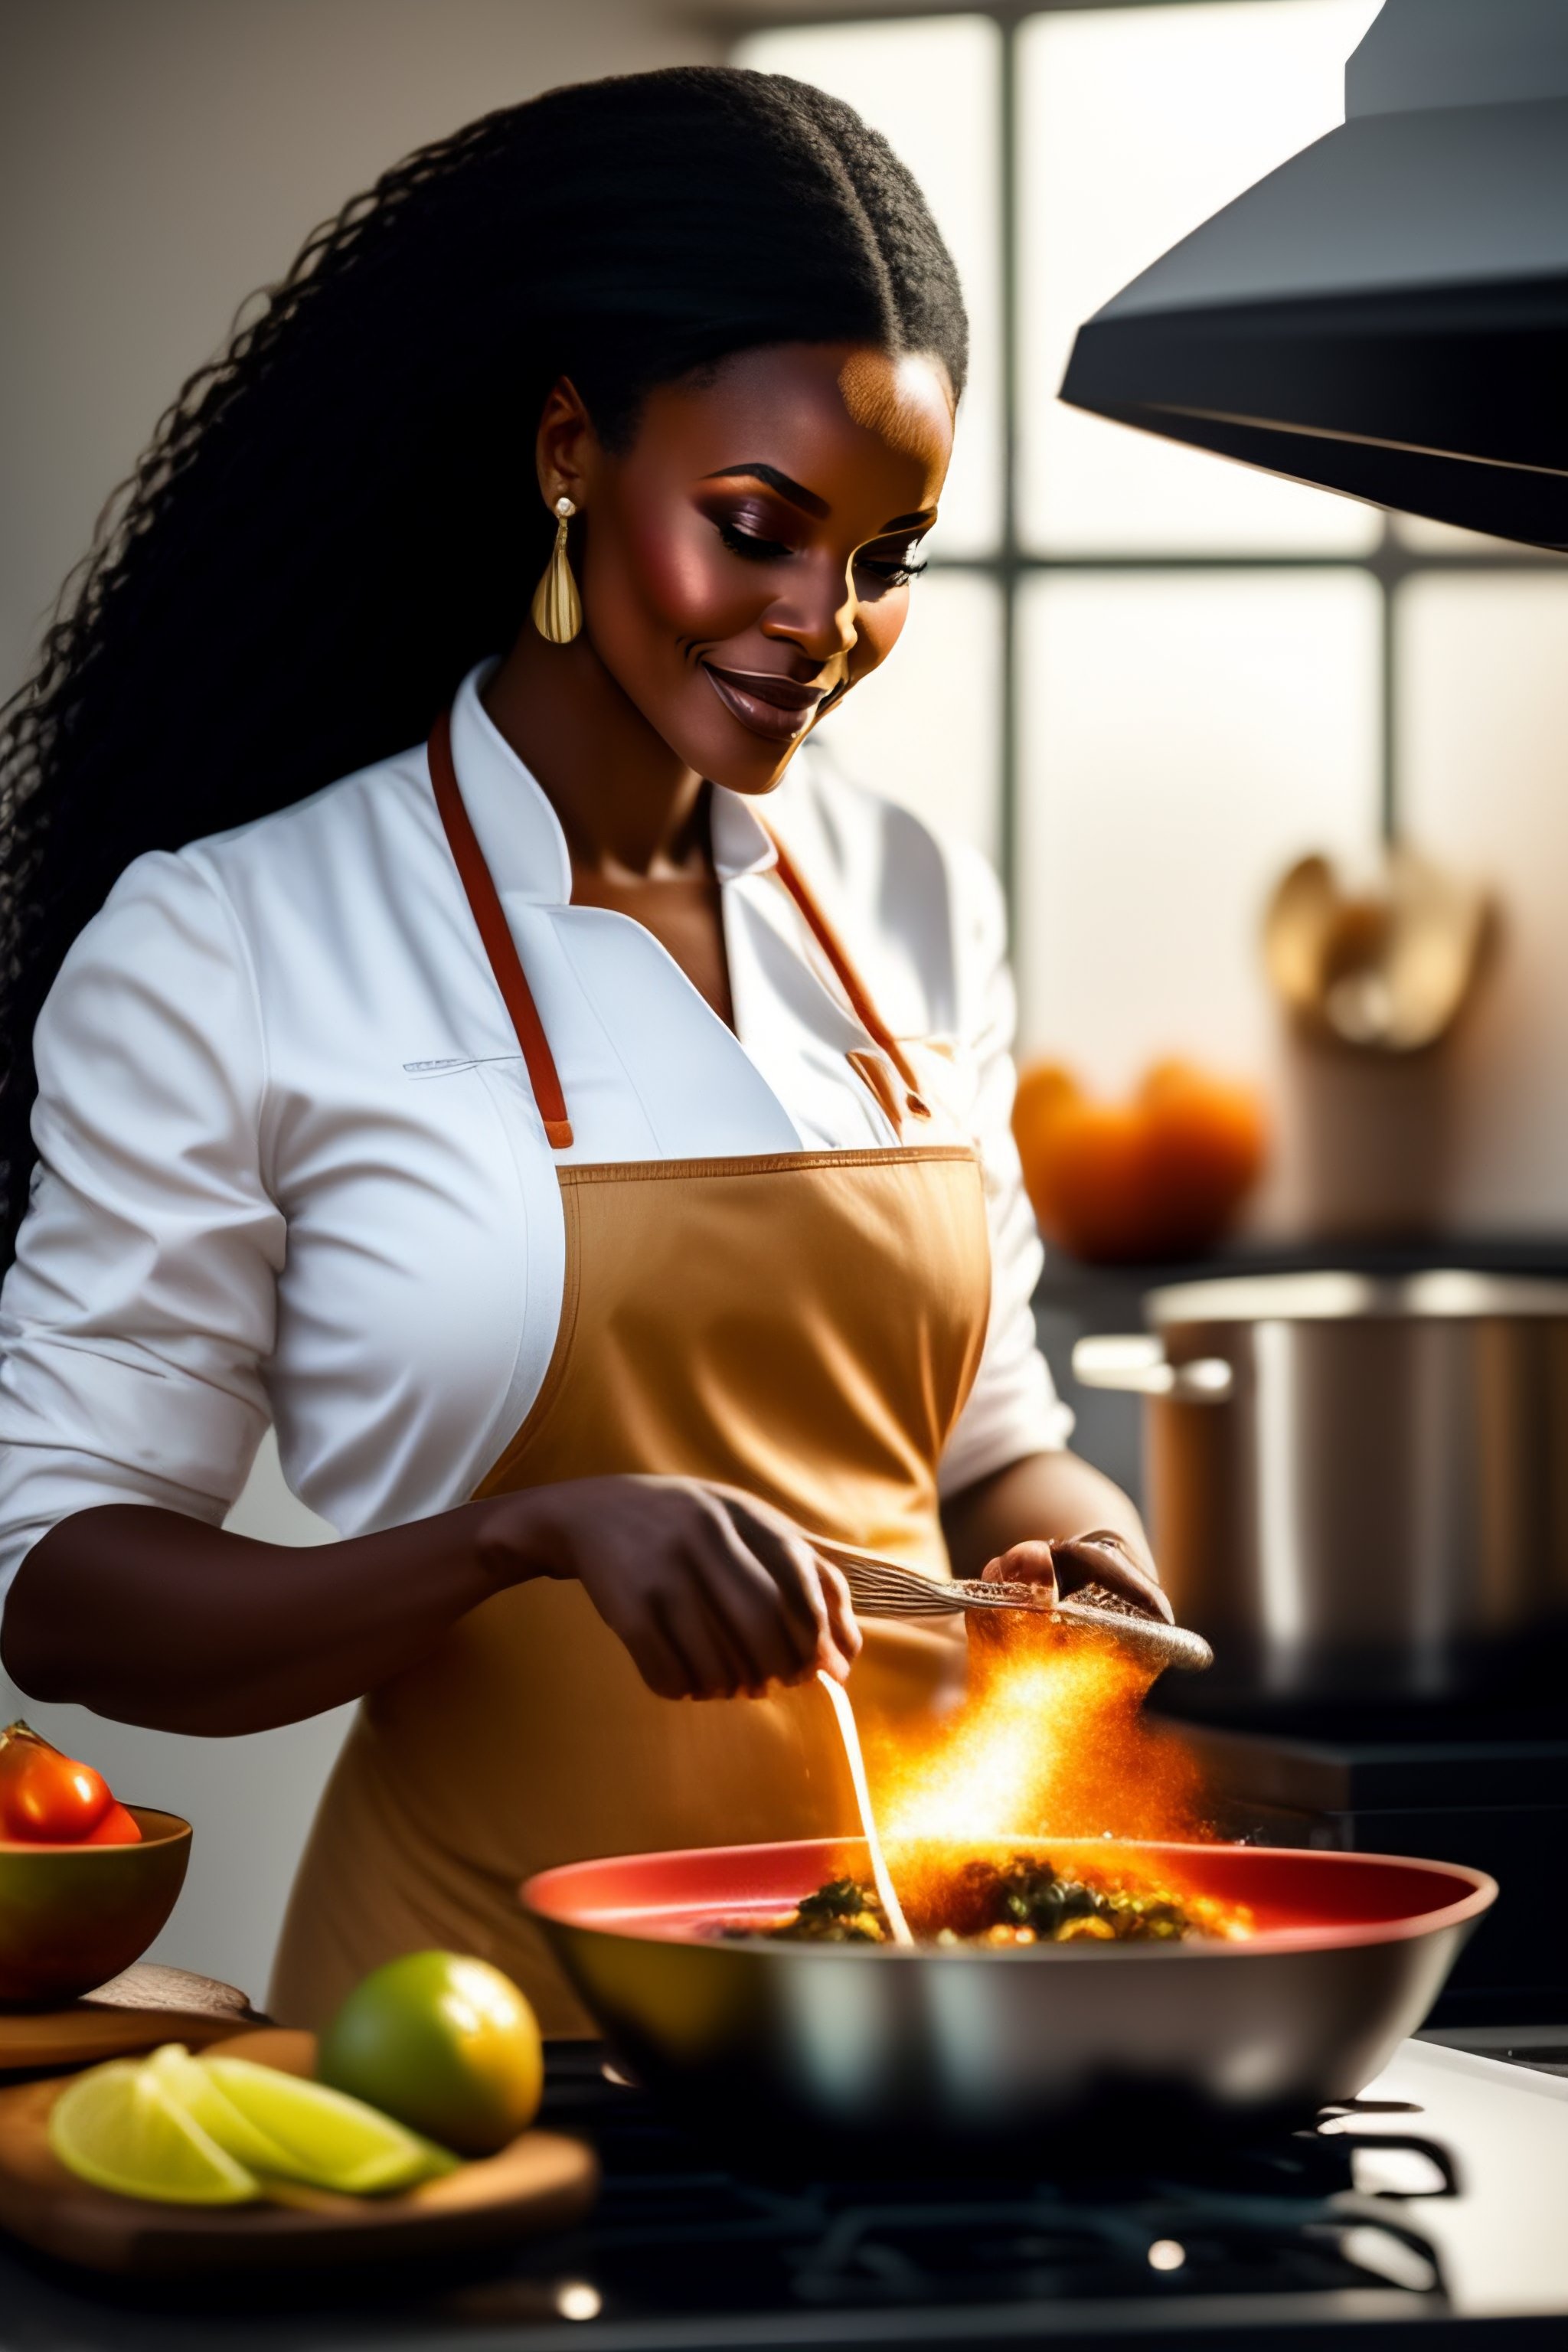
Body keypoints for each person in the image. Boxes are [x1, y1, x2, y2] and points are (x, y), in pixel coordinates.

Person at [0, 67, 1168, 2033]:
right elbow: (66, 1584)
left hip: (904, 2019)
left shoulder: (905, 899)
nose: (826, 621)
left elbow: (987, 1451)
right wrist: (520, 1539)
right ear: (569, 451)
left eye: (890, 557)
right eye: (756, 527)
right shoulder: (234, 939)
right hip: (469, 2039)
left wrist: (1093, 1562)